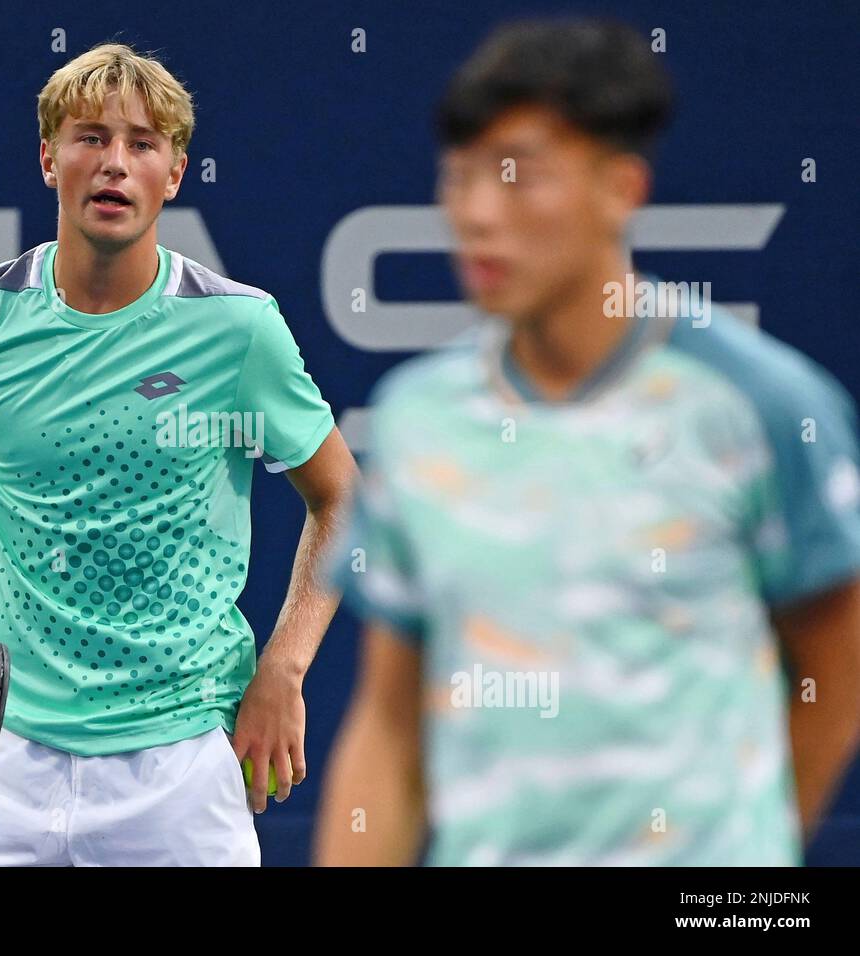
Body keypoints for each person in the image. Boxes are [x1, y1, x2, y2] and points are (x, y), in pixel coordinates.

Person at [316, 19, 860, 865]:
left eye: (518, 177)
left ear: (621, 188)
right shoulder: (417, 417)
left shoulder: (764, 405)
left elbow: (837, 670)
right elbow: (388, 729)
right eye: (458, 178)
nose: (476, 213)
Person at [0, 42, 356, 866]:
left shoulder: (239, 328)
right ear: (49, 160)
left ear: (176, 173)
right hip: (0, 764)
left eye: (142, 144)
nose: (114, 163)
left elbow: (344, 502)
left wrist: (285, 669)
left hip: (182, 768)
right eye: (90, 137)